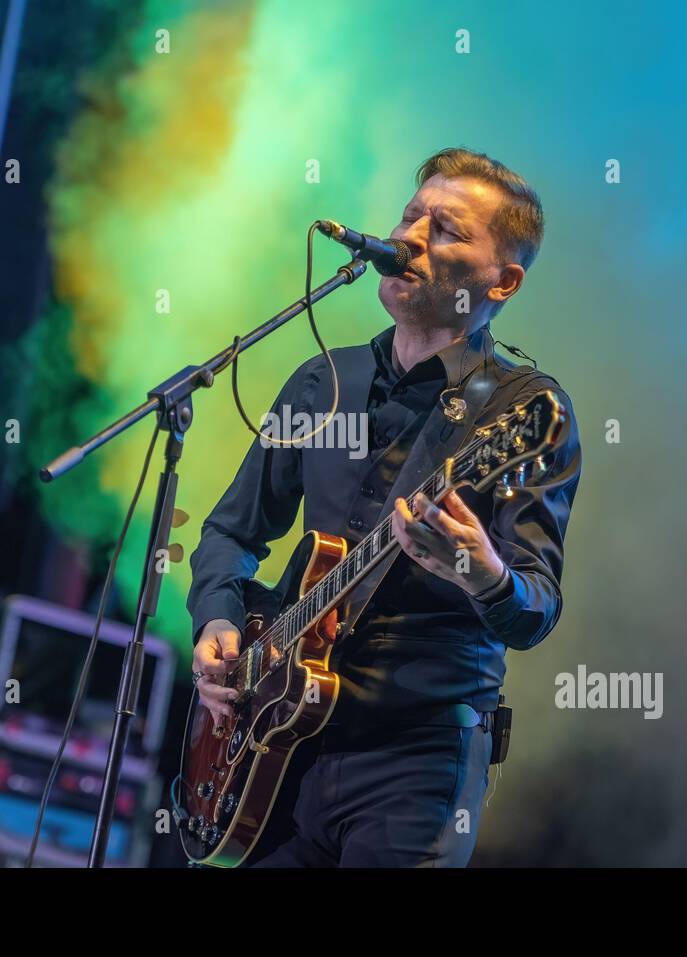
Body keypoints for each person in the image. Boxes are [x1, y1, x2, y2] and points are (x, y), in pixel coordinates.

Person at [186, 147, 582, 866]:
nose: (412, 239)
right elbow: (231, 530)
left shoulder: (523, 410)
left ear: (505, 280)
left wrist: (483, 571)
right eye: (411, 217)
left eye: (447, 229)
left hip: (417, 765)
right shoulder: (323, 380)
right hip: (279, 748)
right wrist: (218, 618)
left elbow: (536, 607)